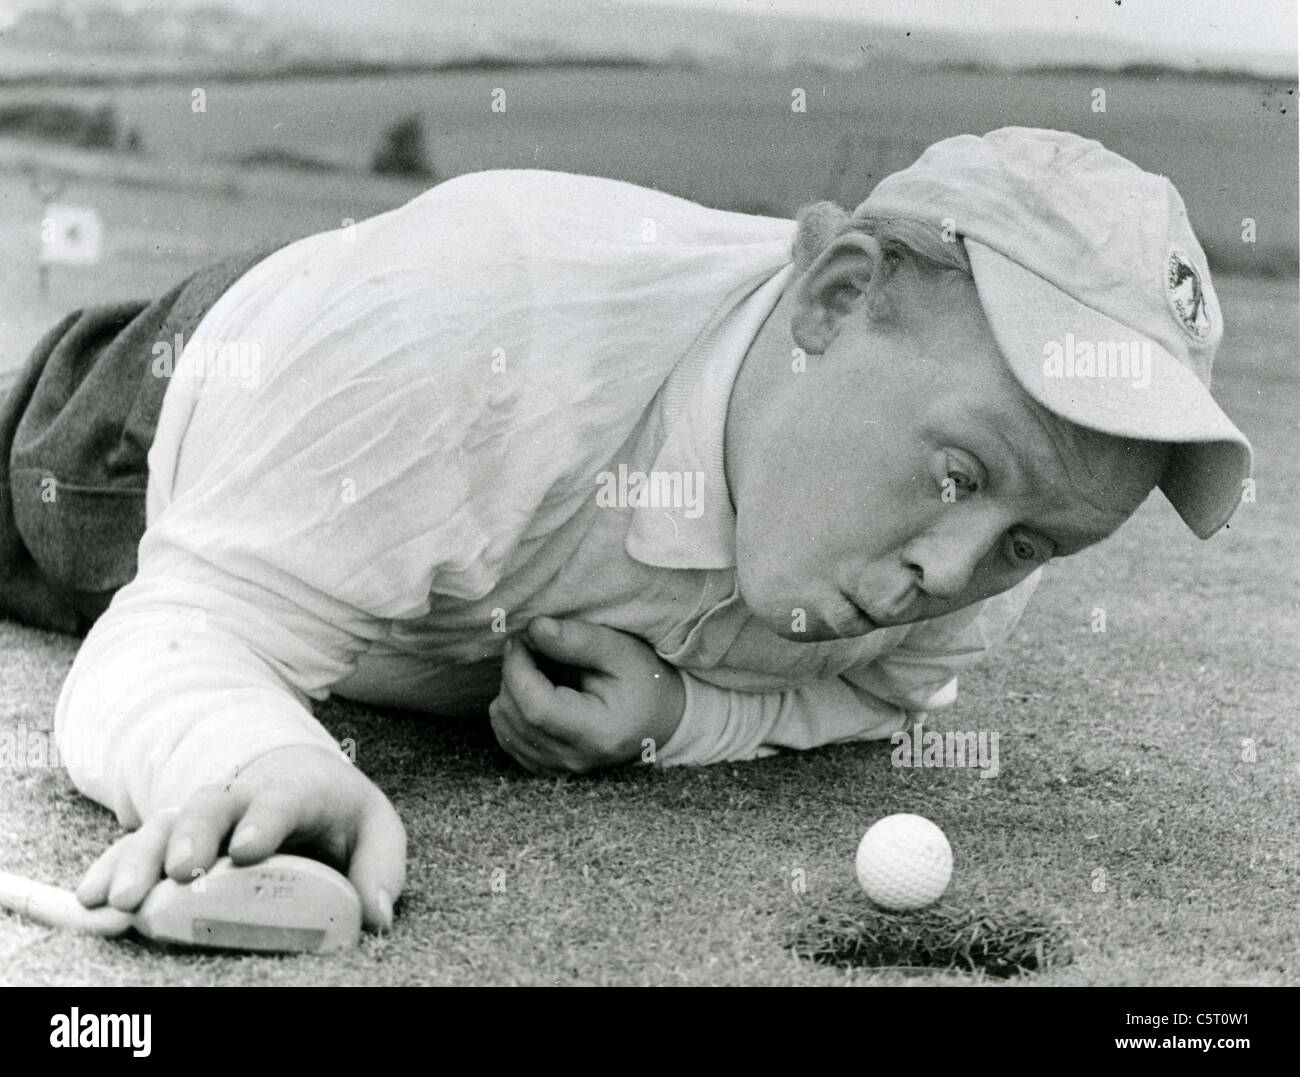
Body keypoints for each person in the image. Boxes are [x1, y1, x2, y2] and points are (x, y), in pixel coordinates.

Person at [0, 127, 1251, 932]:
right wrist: (254, 767)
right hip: (180, 402)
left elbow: (871, 701)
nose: (952, 574)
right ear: (838, 294)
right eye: (956, 473)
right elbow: (178, 633)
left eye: (1034, 541)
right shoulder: (455, 343)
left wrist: (680, 721)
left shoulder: (995, 537)